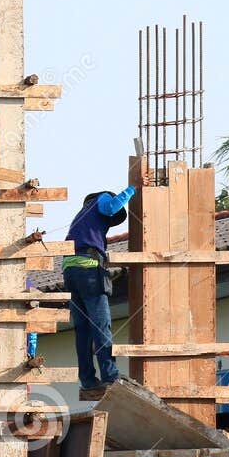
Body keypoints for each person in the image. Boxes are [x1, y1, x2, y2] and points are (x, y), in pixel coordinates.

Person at [62, 167, 147, 400]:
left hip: (70, 269)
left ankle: (89, 381)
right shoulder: (102, 199)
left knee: (83, 329)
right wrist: (134, 188)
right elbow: (110, 206)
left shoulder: (81, 220)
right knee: (101, 325)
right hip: (88, 268)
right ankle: (110, 376)